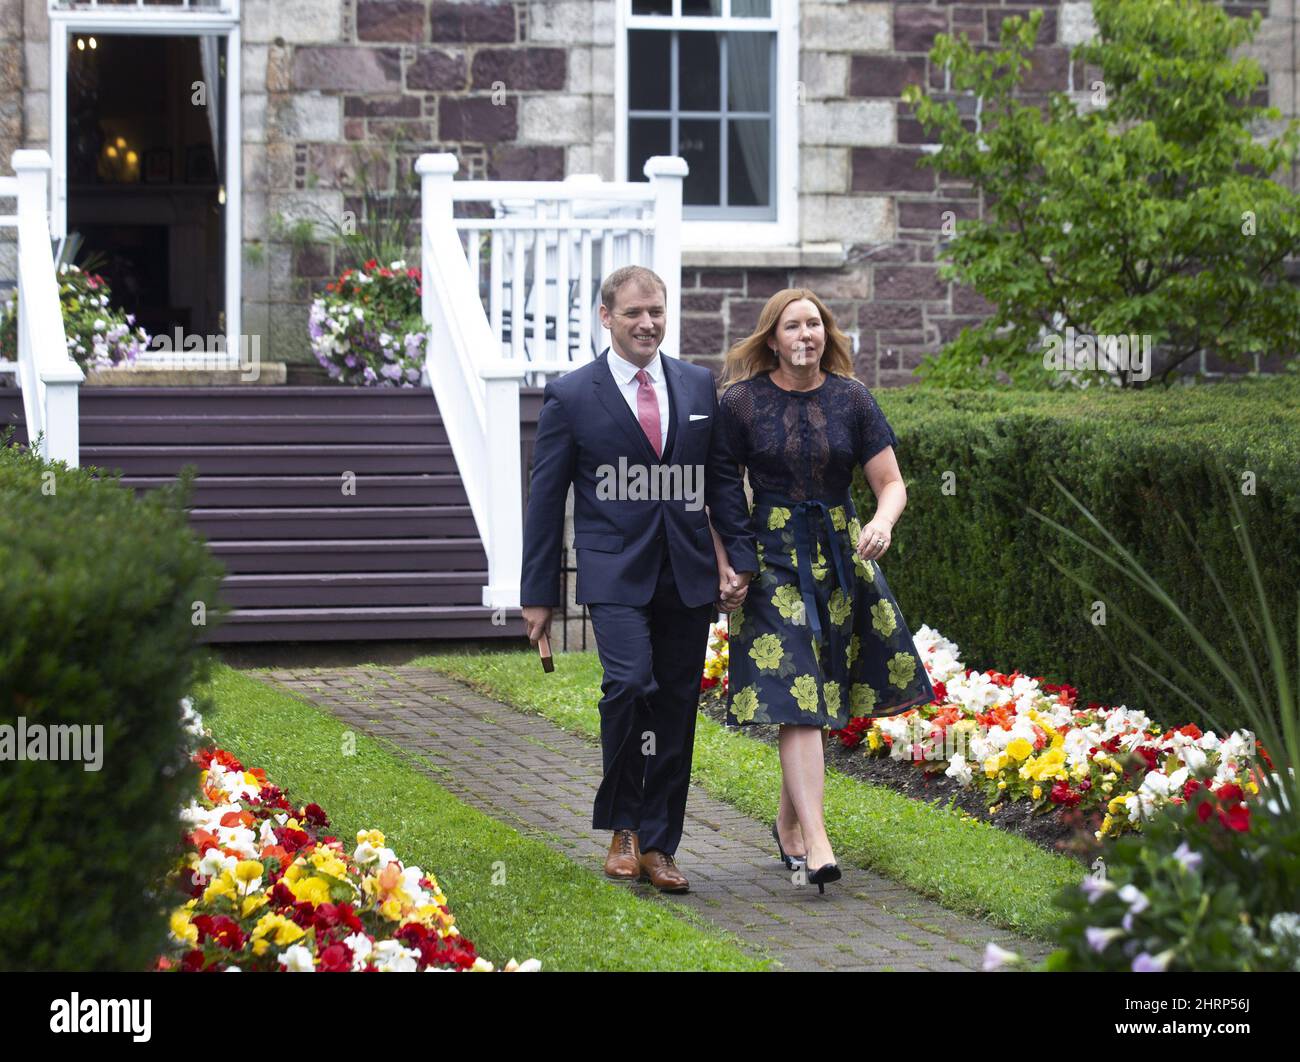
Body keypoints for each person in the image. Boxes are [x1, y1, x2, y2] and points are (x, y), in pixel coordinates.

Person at [519, 265, 756, 893]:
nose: (648, 323)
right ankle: (622, 825)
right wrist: (538, 595)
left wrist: (741, 559)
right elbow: (545, 501)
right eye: (633, 314)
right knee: (627, 683)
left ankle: (659, 845)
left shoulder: (700, 386)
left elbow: (722, 482)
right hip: (614, 572)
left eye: (656, 311)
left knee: (676, 706)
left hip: (687, 574)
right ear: (606, 317)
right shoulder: (570, 396)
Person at [717, 289, 935, 894]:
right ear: (772, 338)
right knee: (800, 692)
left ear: (826, 333)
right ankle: (816, 842)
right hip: (771, 560)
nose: (805, 335)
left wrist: (881, 522)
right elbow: (724, 491)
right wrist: (730, 561)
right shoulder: (740, 404)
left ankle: (789, 828)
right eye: (792, 326)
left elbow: (890, 482)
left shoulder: (852, 397)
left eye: (814, 324)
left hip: (839, 556)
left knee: (817, 692)